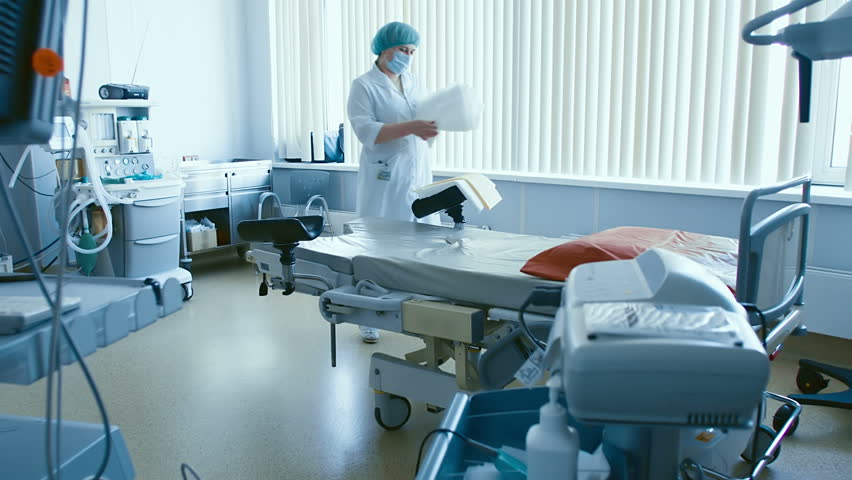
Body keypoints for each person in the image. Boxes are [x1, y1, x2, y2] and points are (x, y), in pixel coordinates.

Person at [347, 21, 440, 343]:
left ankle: (418, 311)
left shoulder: (413, 82)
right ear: (385, 47)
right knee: (379, 245)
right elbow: (366, 131)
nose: (408, 57)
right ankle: (367, 315)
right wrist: (412, 126)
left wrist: (429, 126)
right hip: (383, 177)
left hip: (416, 173)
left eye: (412, 51)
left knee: (422, 241)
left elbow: (422, 121)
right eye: (403, 49)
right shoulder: (364, 85)